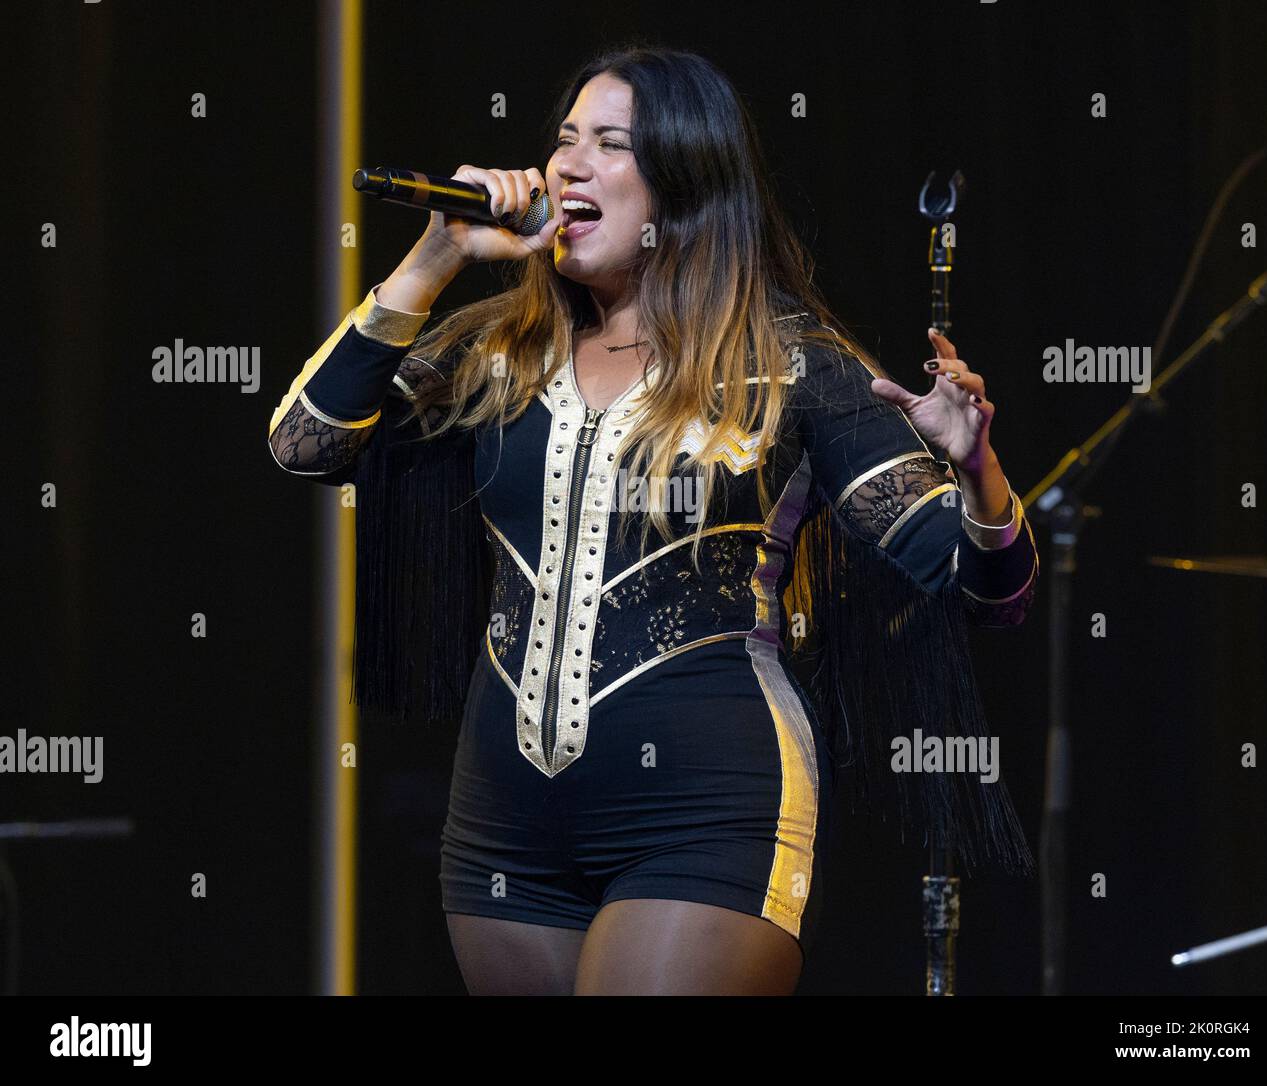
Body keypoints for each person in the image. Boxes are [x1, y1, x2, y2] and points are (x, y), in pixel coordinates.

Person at [267, 46, 1039, 996]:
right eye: (563, 142)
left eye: (609, 145)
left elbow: (988, 589)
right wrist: (433, 260)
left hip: (707, 811)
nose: (569, 166)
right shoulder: (501, 352)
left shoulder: (790, 365)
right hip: (504, 826)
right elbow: (303, 444)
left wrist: (978, 469)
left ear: (680, 188)